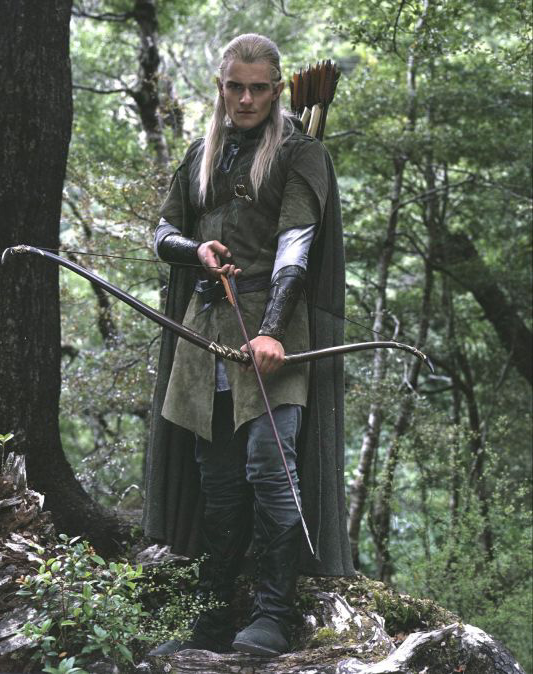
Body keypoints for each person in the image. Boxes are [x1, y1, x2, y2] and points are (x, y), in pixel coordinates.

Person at [144, 34, 354, 657]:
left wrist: (271, 330)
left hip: (272, 331)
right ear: (220, 86)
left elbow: (296, 248)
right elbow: (163, 232)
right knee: (218, 479)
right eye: (235, 86)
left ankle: (273, 615)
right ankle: (212, 619)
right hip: (206, 334)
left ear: (278, 90)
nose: (245, 99)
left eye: (259, 89)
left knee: (270, 464)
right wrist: (196, 250)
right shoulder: (200, 154)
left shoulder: (299, 152)